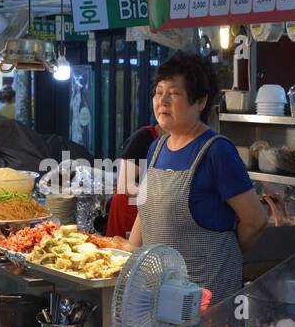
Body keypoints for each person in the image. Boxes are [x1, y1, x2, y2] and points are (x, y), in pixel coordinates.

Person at [129, 52, 267, 301]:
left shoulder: (217, 151)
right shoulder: (156, 148)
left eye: (174, 93)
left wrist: (226, 252)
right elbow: (146, 211)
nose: (163, 101)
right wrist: (131, 253)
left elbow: (255, 220)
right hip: (157, 291)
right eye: (159, 92)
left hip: (205, 294)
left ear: (200, 101)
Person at [105, 121, 163, 238]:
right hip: (129, 208)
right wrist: (162, 196)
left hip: (155, 212)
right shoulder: (143, 138)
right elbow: (125, 185)